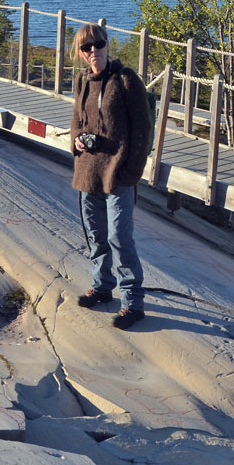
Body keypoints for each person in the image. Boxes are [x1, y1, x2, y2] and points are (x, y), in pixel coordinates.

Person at [69, 23, 151, 329]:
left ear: (107, 45)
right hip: (88, 172)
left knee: (119, 237)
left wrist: (131, 172)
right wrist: (76, 141)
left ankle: (133, 302)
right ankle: (102, 286)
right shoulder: (82, 80)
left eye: (99, 44)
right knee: (96, 236)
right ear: (80, 53)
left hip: (117, 174)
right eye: (86, 47)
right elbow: (77, 120)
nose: (94, 51)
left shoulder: (126, 79)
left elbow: (142, 130)